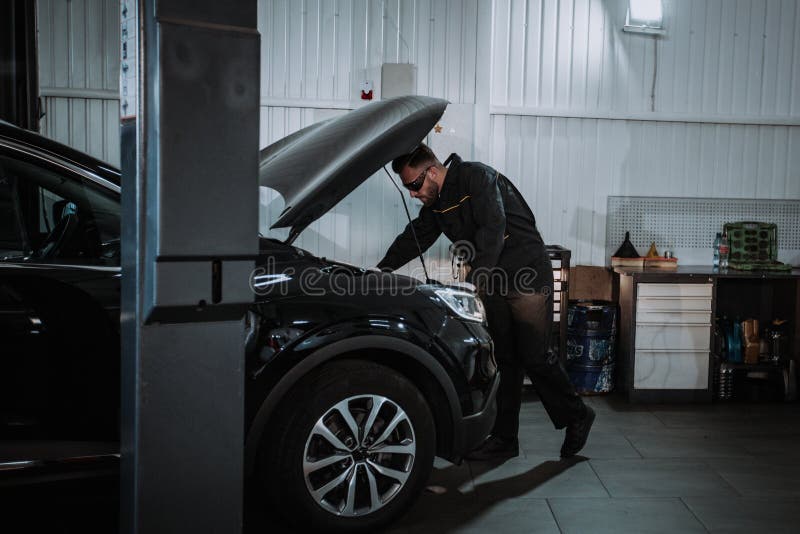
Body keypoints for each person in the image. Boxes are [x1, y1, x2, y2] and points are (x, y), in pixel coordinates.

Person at [377, 144, 595, 460]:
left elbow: (494, 229)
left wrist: (472, 282)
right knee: (504, 360)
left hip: (526, 274)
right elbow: (416, 236)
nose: (412, 193)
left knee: (535, 356)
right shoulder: (437, 204)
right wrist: (381, 269)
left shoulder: (478, 177)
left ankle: (578, 415)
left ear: (432, 172)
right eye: (408, 187)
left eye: (414, 184)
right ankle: (505, 439)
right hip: (492, 279)